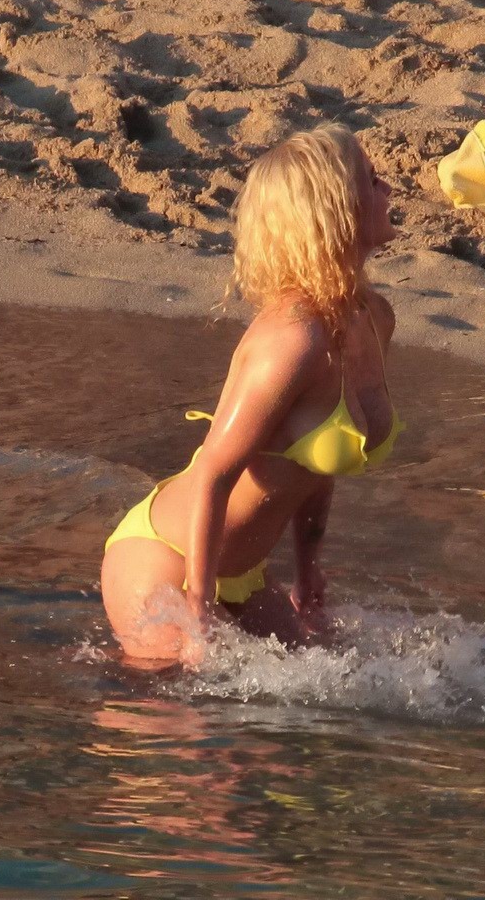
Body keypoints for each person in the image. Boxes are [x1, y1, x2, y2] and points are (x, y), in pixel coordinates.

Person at [101, 123, 402, 664]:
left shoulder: (373, 318)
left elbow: (317, 461)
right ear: (335, 212)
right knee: (186, 724)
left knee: (299, 723)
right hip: (167, 561)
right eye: (373, 182)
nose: (389, 193)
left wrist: (308, 572)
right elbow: (215, 473)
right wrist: (195, 607)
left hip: (239, 573)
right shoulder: (291, 339)